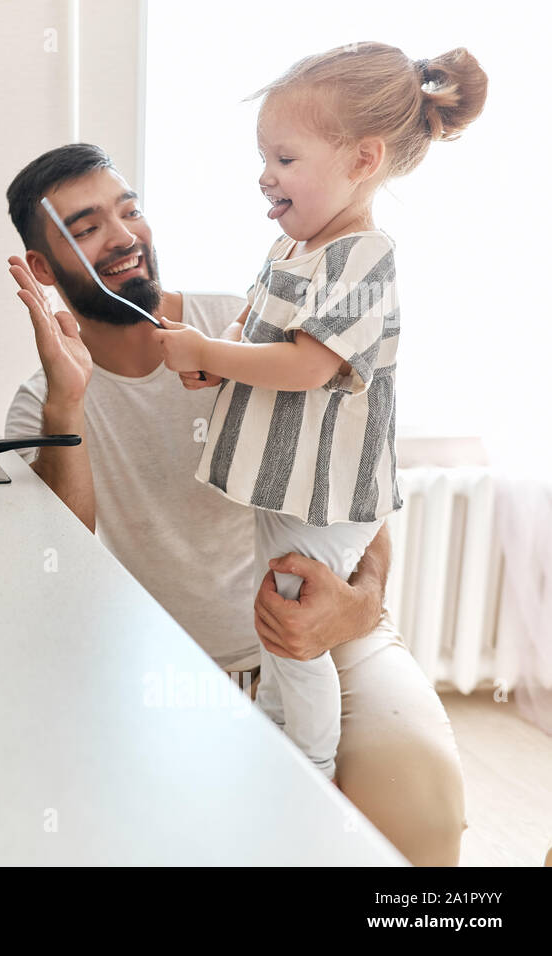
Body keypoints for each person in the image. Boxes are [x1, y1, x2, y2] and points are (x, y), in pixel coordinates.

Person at [3, 142, 466, 863]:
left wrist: (361, 603)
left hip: (324, 639)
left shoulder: (247, 330)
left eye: (130, 211)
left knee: (418, 790)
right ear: (41, 269)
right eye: (87, 226)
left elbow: (354, 477)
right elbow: (58, 557)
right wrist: (69, 402)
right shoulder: (46, 402)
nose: (125, 236)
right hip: (174, 673)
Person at [147, 43, 488, 780]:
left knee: (291, 628)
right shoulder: (291, 247)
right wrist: (214, 357)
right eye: (264, 157)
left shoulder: (364, 257)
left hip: (327, 494)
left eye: (285, 158)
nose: (265, 175)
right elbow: (254, 327)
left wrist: (214, 349)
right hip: (290, 485)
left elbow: (309, 363)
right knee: (277, 624)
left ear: (363, 161)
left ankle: (308, 769)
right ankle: (275, 743)